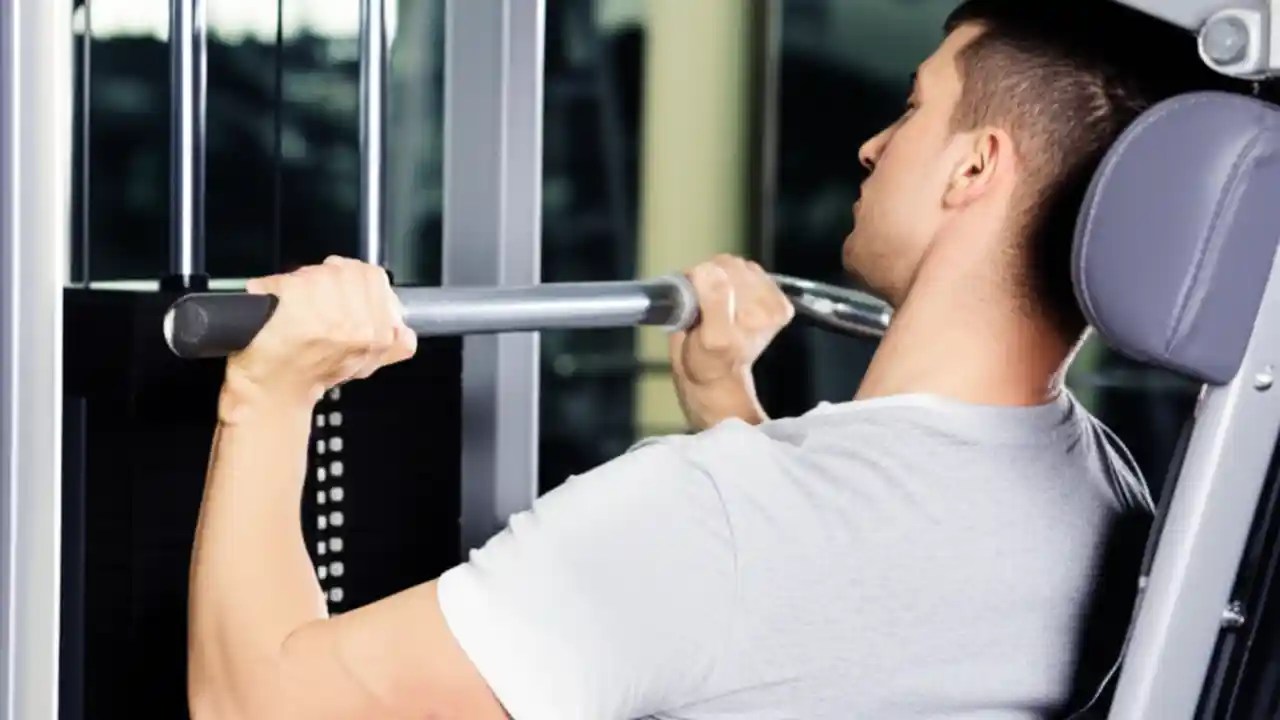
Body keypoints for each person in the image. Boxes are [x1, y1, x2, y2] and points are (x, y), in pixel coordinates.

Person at [183, 2, 1238, 718]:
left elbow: (258, 704)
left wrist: (271, 391)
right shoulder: (1102, 485)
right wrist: (725, 400)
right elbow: (848, 611)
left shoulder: (711, 521)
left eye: (915, 105)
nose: (874, 145)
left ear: (974, 167)